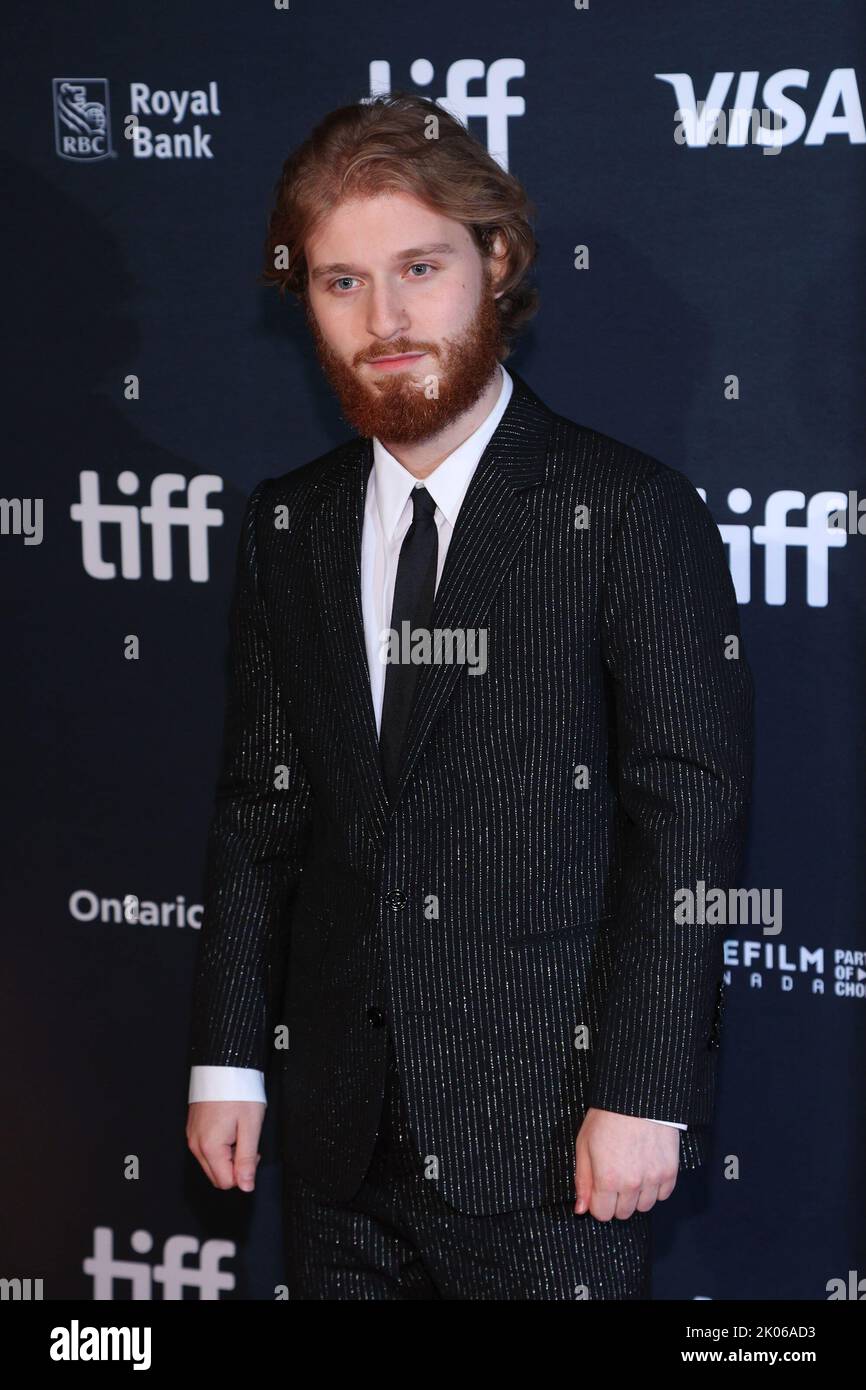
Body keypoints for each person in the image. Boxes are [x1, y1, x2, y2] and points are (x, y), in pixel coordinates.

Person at [185, 92, 753, 1300]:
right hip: (337, 1145)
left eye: (419, 268)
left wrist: (642, 1087)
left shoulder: (626, 512)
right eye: (341, 283)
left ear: (495, 262)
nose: (384, 320)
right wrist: (230, 1062)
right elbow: (258, 813)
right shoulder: (289, 524)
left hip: (552, 1145)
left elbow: (685, 820)